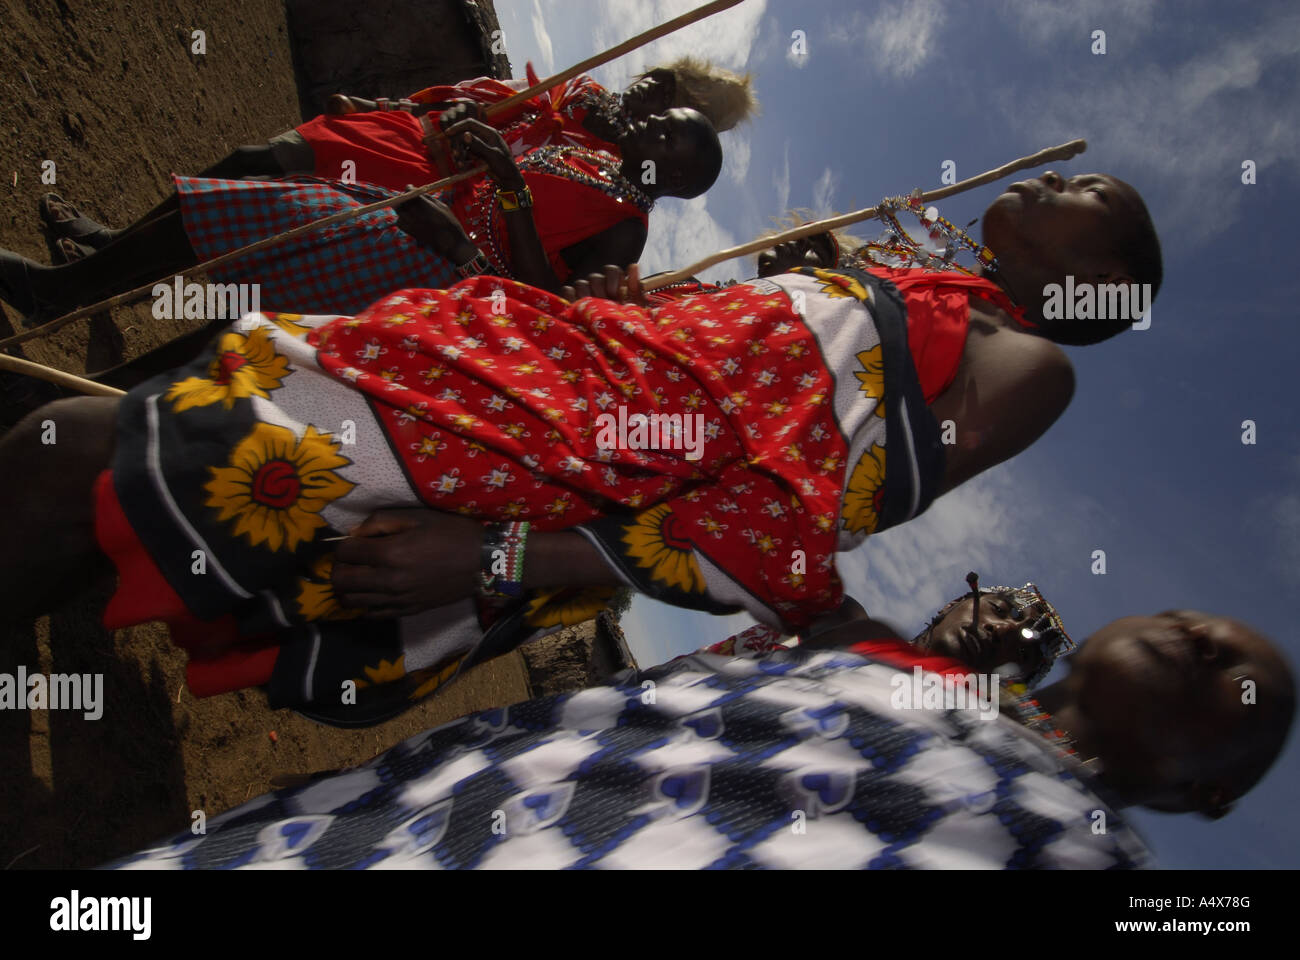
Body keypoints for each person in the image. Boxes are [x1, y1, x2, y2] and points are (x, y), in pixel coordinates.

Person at [0, 170, 1160, 722]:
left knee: (72, 458)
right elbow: (729, 398)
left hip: (502, 458)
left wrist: (497, 557)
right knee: (106, 468)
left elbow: (788, 521)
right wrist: (635, 306)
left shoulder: (1030, 364)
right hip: (499, 378)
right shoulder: (909, 293)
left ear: (1097, 287)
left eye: (1090, 194)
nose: (1056, 179)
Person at [107, 609, 1295, 869]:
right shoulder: (860, 653)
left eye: (1248, 686)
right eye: (1195, 618)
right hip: (398, 819)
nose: (1206, 637)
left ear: (1208, 799)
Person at [0, 108, 724, 331]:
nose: (652, 124)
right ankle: (65, 289)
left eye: (669, 136)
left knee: (236, 326)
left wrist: (509, 189)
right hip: (395, 216)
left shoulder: (628, 231)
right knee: (229, 213)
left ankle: (60, 393)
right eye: (662, 119)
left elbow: (536, 297)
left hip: (424, 279)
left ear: (680, 177)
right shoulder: (592, 154)